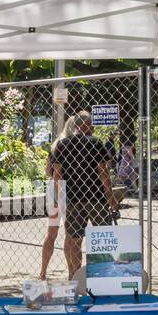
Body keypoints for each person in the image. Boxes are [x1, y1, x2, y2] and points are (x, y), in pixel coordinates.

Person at [52, 111, 120, 276]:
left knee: (75, 241)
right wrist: (111, 200)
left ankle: (76, 276)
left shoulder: (62, 145)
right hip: (96, 198)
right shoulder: (96, 143)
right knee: (103, 239)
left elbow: (57, 176)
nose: (94, 129)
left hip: (73, 199)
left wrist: (61, 200)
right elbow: (103, 173)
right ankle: (103, 276)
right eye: (92, 125)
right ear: (86, 126)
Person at [38, 116, 82, 280]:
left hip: (54, 189)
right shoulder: (75, 145)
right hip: (69, 189)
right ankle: (71, 272)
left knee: (51, 232)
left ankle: (43, 272)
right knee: (70, 233)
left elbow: (48, 171)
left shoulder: (56, 144)